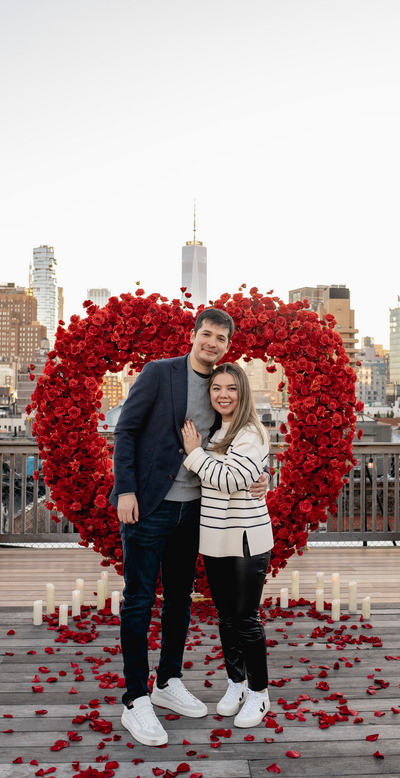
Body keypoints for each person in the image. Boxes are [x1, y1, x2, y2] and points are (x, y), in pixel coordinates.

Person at [110, 307, 267, 747]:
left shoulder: (223, 388)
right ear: (194, 334)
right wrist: (126, 490)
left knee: (179, 599)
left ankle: (168, 681)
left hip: (195, 509)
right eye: (207, 334)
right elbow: (126, 431)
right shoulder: (160, 373)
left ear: (228, 345)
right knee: (139, 600)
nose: (212, 343)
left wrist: (262, 474)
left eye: (221, 338)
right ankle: (135, 699)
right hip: (149, 506)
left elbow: (238, 443)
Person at [181, 362, 274, 728]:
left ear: (243, 393)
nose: (223, 394)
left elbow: (232, 478)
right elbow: (226, 476)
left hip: (246, 540)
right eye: (216, 387)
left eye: (231, 388)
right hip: (215, 538)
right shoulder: (215, 429)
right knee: (224, 617)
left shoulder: (252, 432)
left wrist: (194, 453)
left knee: (245, 619)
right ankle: (236, 683)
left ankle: (259, 692)